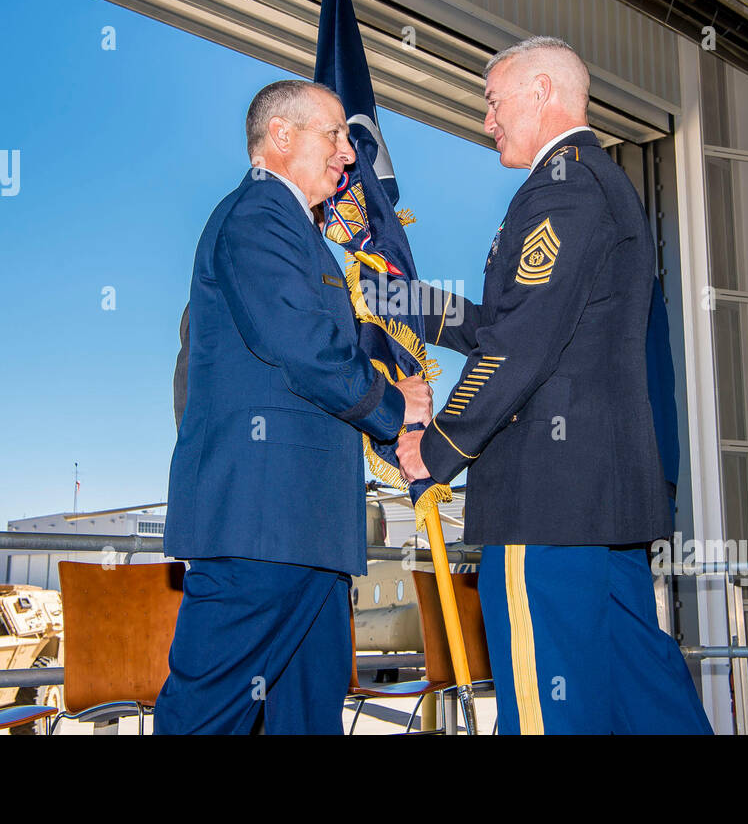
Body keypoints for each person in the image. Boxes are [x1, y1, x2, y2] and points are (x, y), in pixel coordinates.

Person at [396, 36, 711, 734]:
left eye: (492, 100)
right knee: (645, 696)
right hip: (604, 507)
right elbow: (537, 327)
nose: (487, 120)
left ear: (541, 92)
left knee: (549, 710)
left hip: (546, 501)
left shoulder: (559, 189)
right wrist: (414, 303)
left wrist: (439, 444)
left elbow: (521, 343)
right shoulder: (596, 185)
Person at [155, 79, 433, 734]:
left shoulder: (299, 234)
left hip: (310, 534)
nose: (348, 153)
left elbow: (316, 352)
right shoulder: (258, 216)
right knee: (205, 718)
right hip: (262, 528)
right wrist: (393, 409)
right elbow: (302, 345)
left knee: (307, 721)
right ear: (281, 137)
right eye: (333, 134)